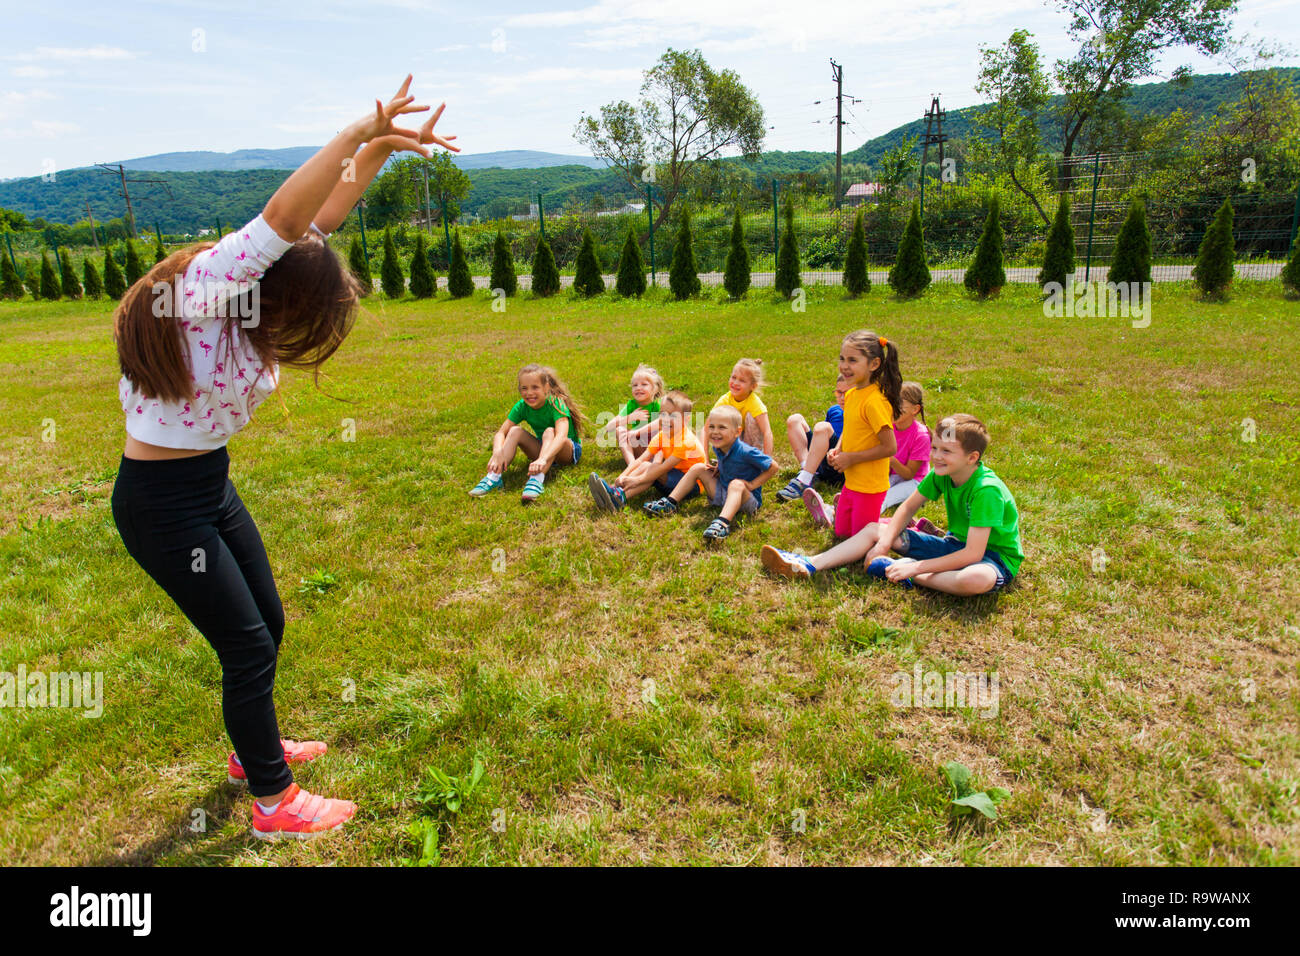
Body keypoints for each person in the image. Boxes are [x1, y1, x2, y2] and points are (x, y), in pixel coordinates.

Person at [111, 76, 457, 840]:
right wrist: (353, 129)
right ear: (271, 293)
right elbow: (282, 217)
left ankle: (251, 750)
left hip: (207, 487)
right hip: (162, 505)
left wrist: (380, 151)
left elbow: (318, 218)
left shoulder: (263, 287)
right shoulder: (209, 292)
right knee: (245, 643)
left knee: (267, 621)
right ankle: (273, 802)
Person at [761, 413, 1023, 596]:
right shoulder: (941, 474)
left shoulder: (986, 490)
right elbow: (907, 508)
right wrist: (884, 543)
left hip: (992, 560)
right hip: (953, 545)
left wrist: (915, 567)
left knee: (975, 580)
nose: (936, 457)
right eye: (934, 448)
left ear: (972, 457)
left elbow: (972, 555)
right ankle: (808, 563)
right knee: (876, 529)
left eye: (946, 451)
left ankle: (904, 573)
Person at [801, 330, 900, 538]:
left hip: (870, 487)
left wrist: (851, 458)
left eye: (853, 360)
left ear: (874, 364)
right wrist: (837, 449)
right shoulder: (852, 394)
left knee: (859, 540)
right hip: (852, 482)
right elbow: (850, 427)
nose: (844, 366)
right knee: (842, 533)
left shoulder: (875, 402)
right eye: (842, 358)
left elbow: (890, 447)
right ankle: (842, 512)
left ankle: (903, 526)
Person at [645, 405, 778, 542]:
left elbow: (773, 467)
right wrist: (720, 467)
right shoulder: (719, 446)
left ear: (737, 432)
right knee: (699, 467)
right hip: (723, 493)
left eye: (722, 427)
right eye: (712, 427)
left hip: (746, 501)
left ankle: (722, 523)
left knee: (736, 484)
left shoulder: (746, 451)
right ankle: (670, 503)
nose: (715, 432)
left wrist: (751, 485)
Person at [468, 363, 589, 503]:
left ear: (546, 388)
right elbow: (501, 433)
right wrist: (497, 452)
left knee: (550, 432)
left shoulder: (556, 403)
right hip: (543, 449)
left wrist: (543, 459)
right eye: (524, 388)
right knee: (514, 431)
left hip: (566, 451)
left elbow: (561, 437)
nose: (529, 393)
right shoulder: (522, 406)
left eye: (535, 387)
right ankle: (494, 477)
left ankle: (536, 480)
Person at [588, 391, 704, 511]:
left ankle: (617, 494)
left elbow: (663, 468)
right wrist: (622, 476)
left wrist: (636, 480)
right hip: (671, 478)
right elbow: (642, 459)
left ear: (686, 420)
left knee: (653, 469)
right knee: (646, 465)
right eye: (662, 414)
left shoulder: (686, 441)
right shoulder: (662, 435)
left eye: (673, 416)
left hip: (690, 486)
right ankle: (617, 494)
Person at [775, 373, 848, 502]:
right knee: (794, 420)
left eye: (846, 393)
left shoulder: (860, 414)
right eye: (838, 392)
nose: (842, 397)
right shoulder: (834, 411)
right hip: (823, 459)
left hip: (841, 466)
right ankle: (807, 472)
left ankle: (805, 479)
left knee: (822, 427)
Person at [598, 364, 665, 467]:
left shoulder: (659, 404)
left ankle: (652, 463)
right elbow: (609, 427)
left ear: (655, 389)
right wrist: (630, 418)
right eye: (635, 385)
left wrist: (639, 431)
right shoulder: (631, 405)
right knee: (619, 429)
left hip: (657, 449)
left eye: (644, 384)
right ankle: (632, 465)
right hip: (640, 447)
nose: (638, 388)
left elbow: (664, 424)